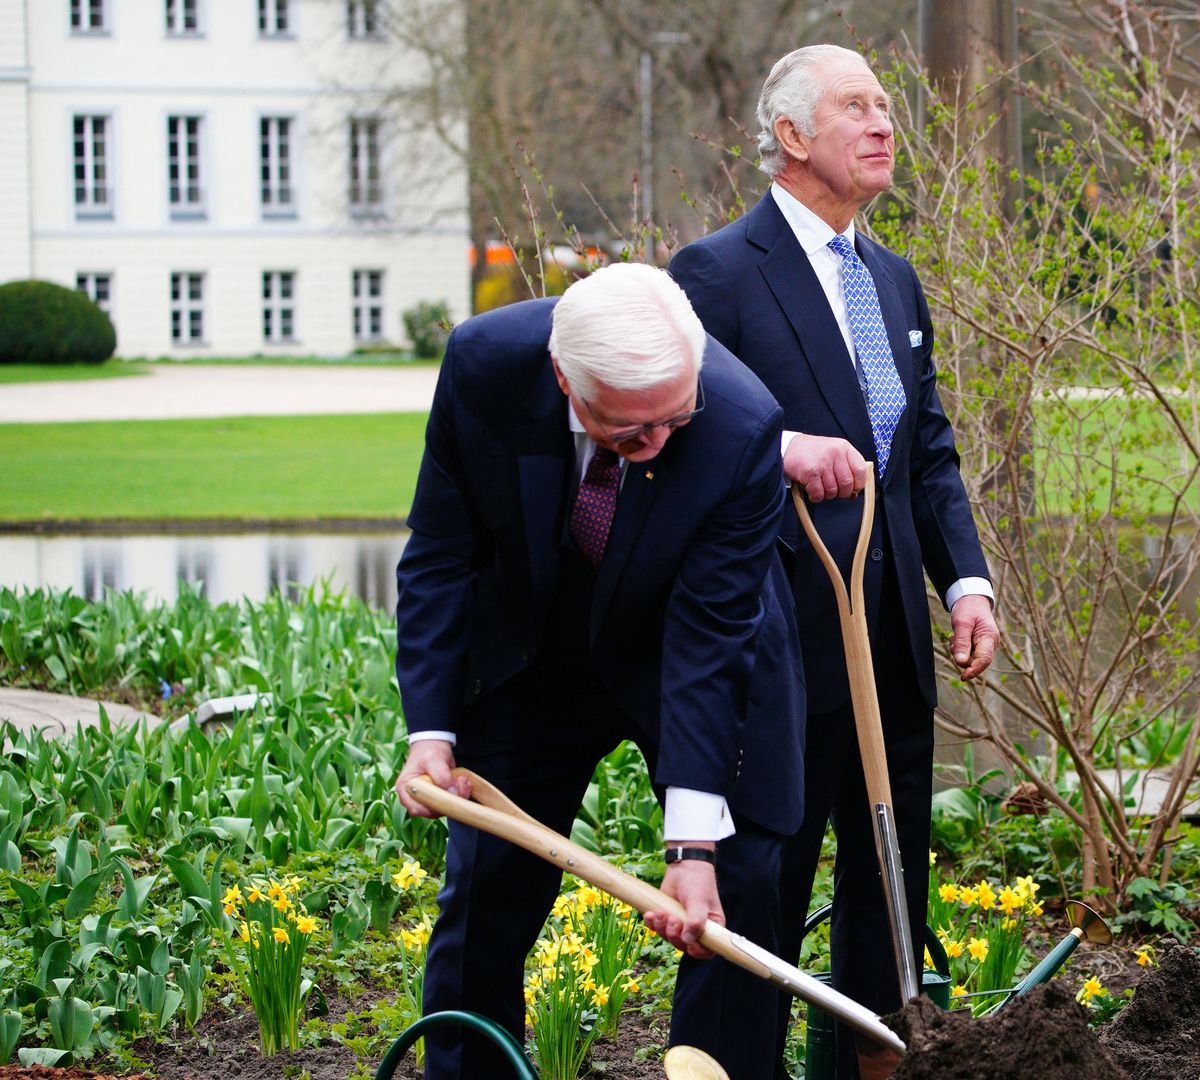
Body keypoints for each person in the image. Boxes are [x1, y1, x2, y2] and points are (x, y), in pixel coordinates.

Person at [668, 42, 1000, 1078]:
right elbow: (676, 435)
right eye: (856, 106)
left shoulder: (892, 281)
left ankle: (863, 1067)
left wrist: (967, 579)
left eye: (887, 105)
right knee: (763, 872)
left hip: (891, 629)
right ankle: (730, 1068)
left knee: (888, 875)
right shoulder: (717, 275)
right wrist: (778, 452)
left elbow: (926, 451)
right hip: (776, 635)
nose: (883, 123)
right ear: (792, 136)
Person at [392, 263, 803, 1080]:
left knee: (739, 877)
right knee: (484, 895)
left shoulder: (740, 423)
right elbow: (442, 552)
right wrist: (431, 730)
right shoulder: (485, 365)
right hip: (533, 650)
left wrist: (692, 843)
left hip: (689, 648)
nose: (659, 445)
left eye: (674, 420)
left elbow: (710, 635)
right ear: (563, 378)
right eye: (629, 433)